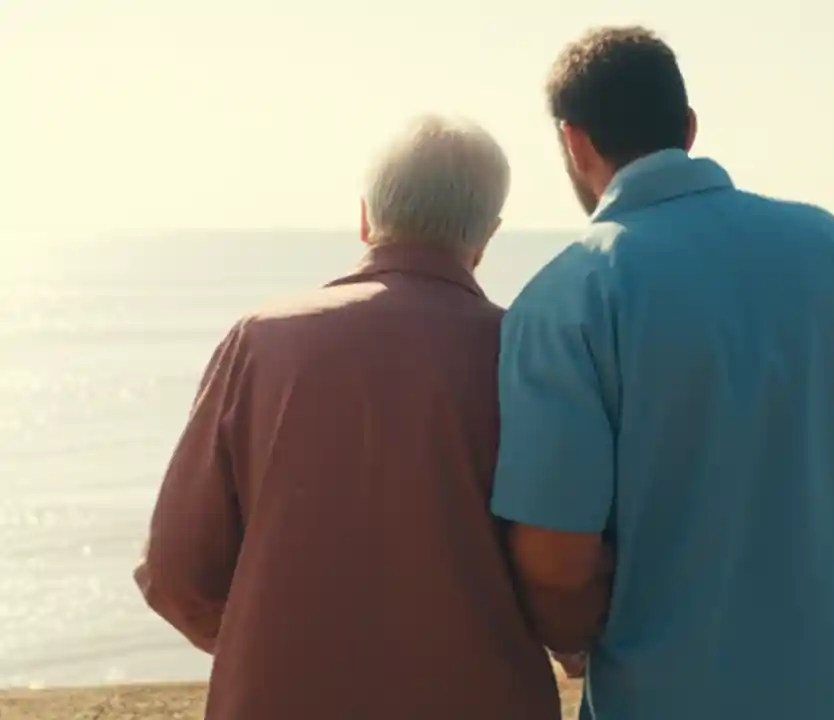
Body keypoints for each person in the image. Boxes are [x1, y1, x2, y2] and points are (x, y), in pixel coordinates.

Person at [492, 27, 834, 719]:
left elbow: (557, 563)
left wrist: (571, 638)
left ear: (574, 141)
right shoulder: (828, 245)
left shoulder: (567, 295)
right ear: (688, 128)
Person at [135, 116, 560, 720]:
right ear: (488, 235)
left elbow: (175, 570)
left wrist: (270, 647)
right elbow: (563, 567)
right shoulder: (527, 355)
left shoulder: (262, 341)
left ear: (365, 216)